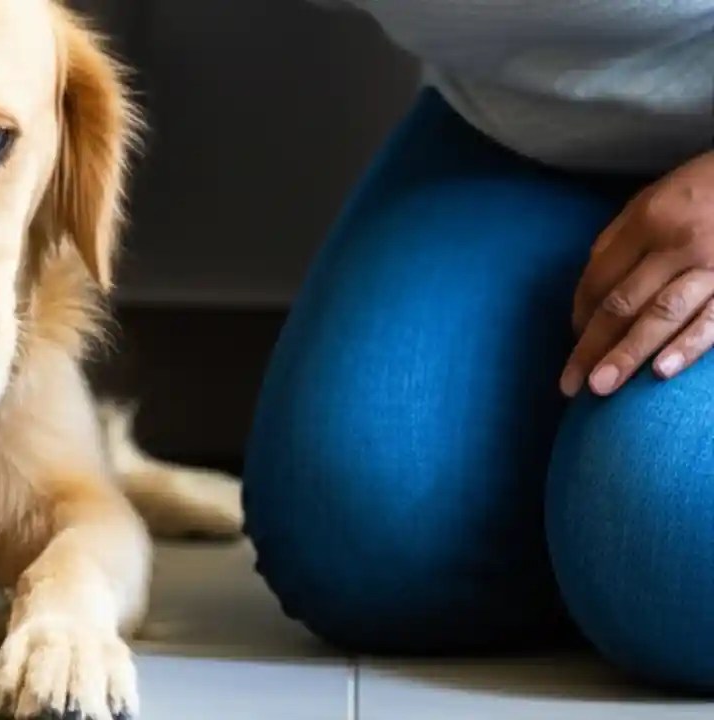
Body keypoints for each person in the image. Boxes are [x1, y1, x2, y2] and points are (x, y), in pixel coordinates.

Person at [242, 0, 714, 691]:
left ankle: (612, 526)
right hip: (526, 121)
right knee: (357, 537)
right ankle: (580, 523)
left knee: (674, 557)